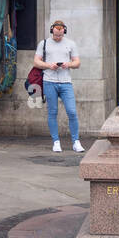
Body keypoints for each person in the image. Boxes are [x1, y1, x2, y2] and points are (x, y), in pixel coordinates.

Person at [33, 20, 83, 153]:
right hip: (49, 81)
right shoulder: (43, 44)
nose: (58, 37)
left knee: (72, 111)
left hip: (66, 82)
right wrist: (49, 65)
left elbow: (77, 62)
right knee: (52, 112)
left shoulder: (71, 44)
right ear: (52, 31)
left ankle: (76, 141)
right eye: (55, 35)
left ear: (64, 32)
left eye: (60, 35)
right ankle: (56, 141)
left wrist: (68, 64)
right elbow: (36, 61)